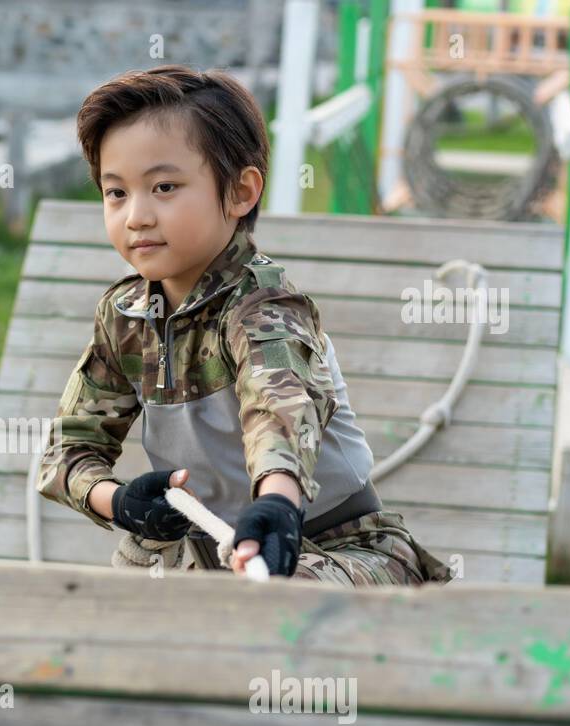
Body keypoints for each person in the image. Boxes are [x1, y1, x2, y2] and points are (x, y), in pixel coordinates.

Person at [35, 65, 452, 586]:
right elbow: (68, 450)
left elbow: (278, 407)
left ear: (240, 192)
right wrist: (119, 502)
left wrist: (276, 501)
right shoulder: (124, 318)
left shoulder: (264, 310)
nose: (136, 215)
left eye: (164, 186)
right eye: (116, 192)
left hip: (332, 546)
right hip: (199, 553)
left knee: (281, 599)